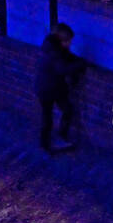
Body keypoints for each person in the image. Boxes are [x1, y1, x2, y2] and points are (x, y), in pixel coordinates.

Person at [35, 22, 85, 153]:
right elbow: (62, 69)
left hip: (46, 87)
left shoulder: (51, 48)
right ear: (62, 40)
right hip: (50, 89)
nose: (70, 44)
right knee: (60, 112)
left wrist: (78, 62)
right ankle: (53, 141)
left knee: (50, 115)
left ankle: (47, 142)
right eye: (68, 41)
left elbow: (67, 57)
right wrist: (80, 65)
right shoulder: (55, 53)